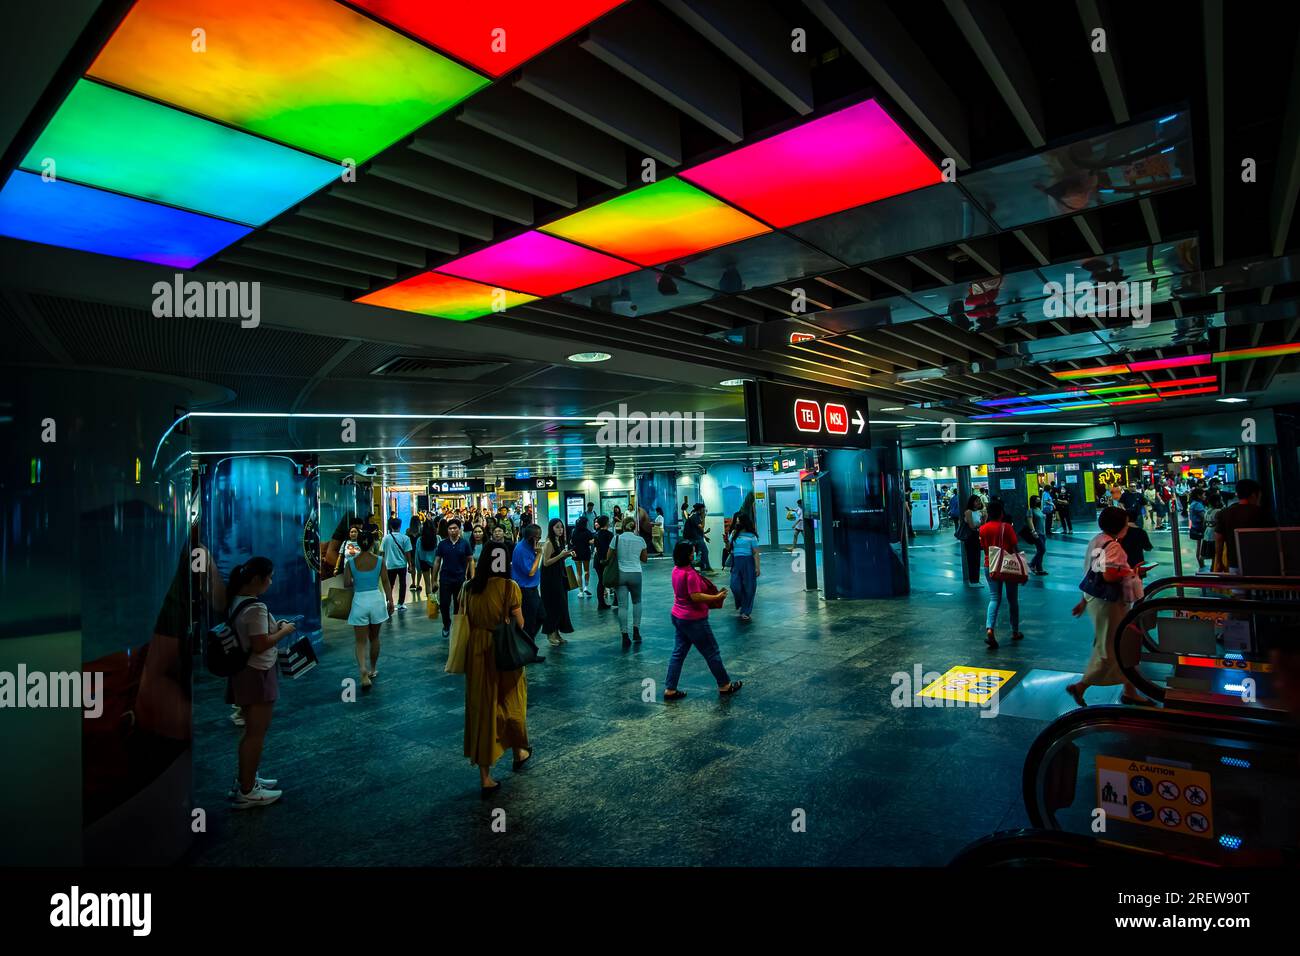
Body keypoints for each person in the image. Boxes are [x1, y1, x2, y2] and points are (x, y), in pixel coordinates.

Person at [463, 541, 531, 796]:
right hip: (503, 650)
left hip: (477, 650)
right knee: (512, 700)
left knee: (482, 708)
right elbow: (520, 623)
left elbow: (466, 619)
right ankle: (519, 750)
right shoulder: (509, 587)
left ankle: (485, 776)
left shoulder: (469, 588)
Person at [1066, 506, 1150, 707]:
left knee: (1116, 644)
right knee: (1111, 649)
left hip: (1095, 599)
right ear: (1121, 525)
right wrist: (1131, 572)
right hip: (1109, 603)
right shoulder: (1113, 546)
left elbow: (1091, 572)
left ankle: (1130, 691)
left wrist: (1083, 600)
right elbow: (1108, 575)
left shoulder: (1097, 540)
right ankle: (1081, 686)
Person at [225, 557, 292, 809]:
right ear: (257, 580)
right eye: (269, 577)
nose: (271, 582)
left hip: (244, 673)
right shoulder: (256, 608)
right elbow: (261, 643)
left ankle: (247, 778)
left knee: (250, 732)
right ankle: (247, 790)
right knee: (256, 733)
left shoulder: (236, 602)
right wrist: (284, 631)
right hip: (258, 673)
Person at [664, 542, 742, 701]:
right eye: (692, 552)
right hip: (694, 619)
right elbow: (695, 596)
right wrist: (716, 597)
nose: (695, 554)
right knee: (711, 652)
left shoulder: (676, 570)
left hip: (678, 616)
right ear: (686, 554)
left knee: (678, 653)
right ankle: (725, 685)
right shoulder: (690, 574)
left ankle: (670, 689)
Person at [343, 524, 391, 691]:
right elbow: (385, 581)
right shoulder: (379, 561)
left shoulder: (350, 562)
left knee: (360, 641)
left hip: (359, 601)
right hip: (376, 600)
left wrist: (357, 580)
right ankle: (372, 668)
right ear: (372, 544)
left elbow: (347, 583)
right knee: (375, 637)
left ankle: (362, 669)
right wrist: (391, 601)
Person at [979, 499, 1023, 648]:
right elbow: (1015, 547)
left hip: (990, 565)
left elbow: (984, 547)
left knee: (994, 598)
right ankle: (1015, 631)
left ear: (989, 513)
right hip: (1008, 566)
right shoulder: (1007, 527)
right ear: (1001, 513)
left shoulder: (983, 529)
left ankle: (990, 628)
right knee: (1012, 599)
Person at [1214, 478, 1275, 574]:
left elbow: (1219, 538)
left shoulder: (1224, 513)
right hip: (1260, 562)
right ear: (1254, 495)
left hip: (1234, 563)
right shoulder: (1261, 513)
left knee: (1238, 588)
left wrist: (1218, 561)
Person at [432, 519, 474, 639]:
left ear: (459, 529)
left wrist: (472, 577)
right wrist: (433, 580)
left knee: (458, 604)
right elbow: (437, 561)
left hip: (460, 579)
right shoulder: (443, 544)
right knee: (444, 604)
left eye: (455, 528)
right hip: (445, 578)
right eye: (450, 529)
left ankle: (456, 625)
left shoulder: (464, 544)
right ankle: (446, 624)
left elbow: (470, 560)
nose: (452, 531)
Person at [540, 518, 575, 647]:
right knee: (553, 605)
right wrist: (561, 555)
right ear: (551, 528)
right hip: (550, 579)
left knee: (561, 604)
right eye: (557, 527)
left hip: (558, 576)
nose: (560, 530)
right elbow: (546, 562)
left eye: (561, 527)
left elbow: (557, 559)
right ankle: (551, 633)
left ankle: (557, 632)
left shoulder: (558, 541)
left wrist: (567, 555)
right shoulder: (549, 542)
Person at [613, 517, 647, 646]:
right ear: (634, 527)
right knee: (637, 602)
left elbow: (609, 556)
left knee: (622, 606)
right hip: (636, 574)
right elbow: (644, 559)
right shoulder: (640, 540)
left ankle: (624, 635)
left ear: (623, 526)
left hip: (620, 574)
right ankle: (636, 631)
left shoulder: (616, 539)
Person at [511, 524, 544, 638]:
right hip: (525, 589)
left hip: (532, 588)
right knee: (530, 621)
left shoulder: (530, 547)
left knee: (540, 616)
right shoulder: (521, 549)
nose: (539, 539)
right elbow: (531, 571)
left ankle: (530, 646)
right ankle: (528, 649)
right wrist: (539, 554)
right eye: (537, 537)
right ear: (530, 537)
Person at [729, 513, 761, 622]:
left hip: (748, 561)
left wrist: (757, 567)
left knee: (749, 587)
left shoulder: (752, 536)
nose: (737, 522)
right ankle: (741, 603)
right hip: (736, 561)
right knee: (734, 586)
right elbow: (729, 548)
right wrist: (725, 542)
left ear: (744, 522)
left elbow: (756, 552)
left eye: (738, 520)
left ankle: (746, 611)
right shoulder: (734, 533)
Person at [382, 517, 413, 612]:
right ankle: (400, 603)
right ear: (400, 526)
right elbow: (408, 553)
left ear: (391, 526)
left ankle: (389, 602)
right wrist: (410, 565)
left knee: (390, 584)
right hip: (402, 565)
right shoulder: (405, 538)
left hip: (389, 565)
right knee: (402, 584)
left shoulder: (385, 538)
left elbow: (382, 553)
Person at [960, 495, 984, 586]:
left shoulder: (979, 512)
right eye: (977, 501)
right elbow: (972, 526)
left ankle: (976, 579)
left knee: (977, 558)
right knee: (971, 558)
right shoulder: (968, 512)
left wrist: (983, 519)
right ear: (972, 502)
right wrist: (980, 524)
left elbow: (982, 525)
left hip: (977, 536)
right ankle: (973, 580)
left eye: (979, 501)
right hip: (970, 537)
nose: (979, 503)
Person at [592, 514, 614, 610]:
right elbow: (610, 549)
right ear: (606, 523)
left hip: (598, 560)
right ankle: (616, 600)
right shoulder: (609, 535)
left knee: (601, 581)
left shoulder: (596, 534)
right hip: (606, 560)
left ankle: (601, 603)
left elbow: (597, 548)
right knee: (612, 579)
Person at [684, 502, 713, 572]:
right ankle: (706, 567)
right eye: (704, 509)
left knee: (700, 552)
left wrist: (705, 536)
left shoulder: (694, 516)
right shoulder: (695, 517)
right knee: (704, 551)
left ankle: (702, 567)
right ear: (700, 509)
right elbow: (701, 527)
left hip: (694, 538)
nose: (705, 510)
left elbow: (696, 529)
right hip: (695, 539)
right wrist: (703, 517)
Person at [570, 515, 594, 597]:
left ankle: (580, 591)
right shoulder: (587, 532)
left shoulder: (574, 531)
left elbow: (571, 542)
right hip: (585, 552)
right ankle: (586, 587)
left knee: (579, 573)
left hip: (576, 553)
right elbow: (591, 542)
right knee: (587, 571)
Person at [1025, 495, 1047, 576]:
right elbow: (1029, 522)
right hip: (1037, 533)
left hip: (1043, 533)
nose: (1039, 501)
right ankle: (1031, 564)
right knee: (1042, 550)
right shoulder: (1030, 510)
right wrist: (1033, 531)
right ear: (1033, 501)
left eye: (1039, 500)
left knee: (1040, 551)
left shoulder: (1039, 509)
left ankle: (1039, 569)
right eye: (1037, 500)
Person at [1187, 488, 1207, 571]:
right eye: (1203, 494)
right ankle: (1202, 566)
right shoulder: (1198, 505)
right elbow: (1204, 517)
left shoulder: (1193, 503)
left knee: (1199, 547)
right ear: (1199, 495)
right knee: (1201, 549)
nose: (1205, 496)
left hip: (1195, 527)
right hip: (1200, 528)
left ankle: (1201, 565)